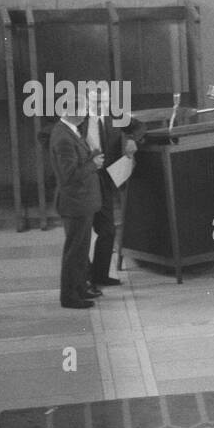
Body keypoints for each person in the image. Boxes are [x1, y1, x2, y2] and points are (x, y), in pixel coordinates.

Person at [83, 87, 143, 292]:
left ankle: (100, 275)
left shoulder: (113, 115)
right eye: (96, 100)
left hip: (105, 180)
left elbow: (138, 126)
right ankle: (86, 279)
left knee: (107, 229)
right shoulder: (78, 119)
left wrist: (133, 140)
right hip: (85, 180)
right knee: (84, 233)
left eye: (103, 100)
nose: (100, 104)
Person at [50, 104, 101, 309]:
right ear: (70, 111)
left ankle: (79, 288)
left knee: (81, 251)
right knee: (75, 251)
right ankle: (69, 296)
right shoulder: (63, 137)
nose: (86, 114)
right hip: (75, 202)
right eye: (82, 110)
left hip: (81, 202)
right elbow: (68, 175)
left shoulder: (69, 131)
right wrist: (93, 164)